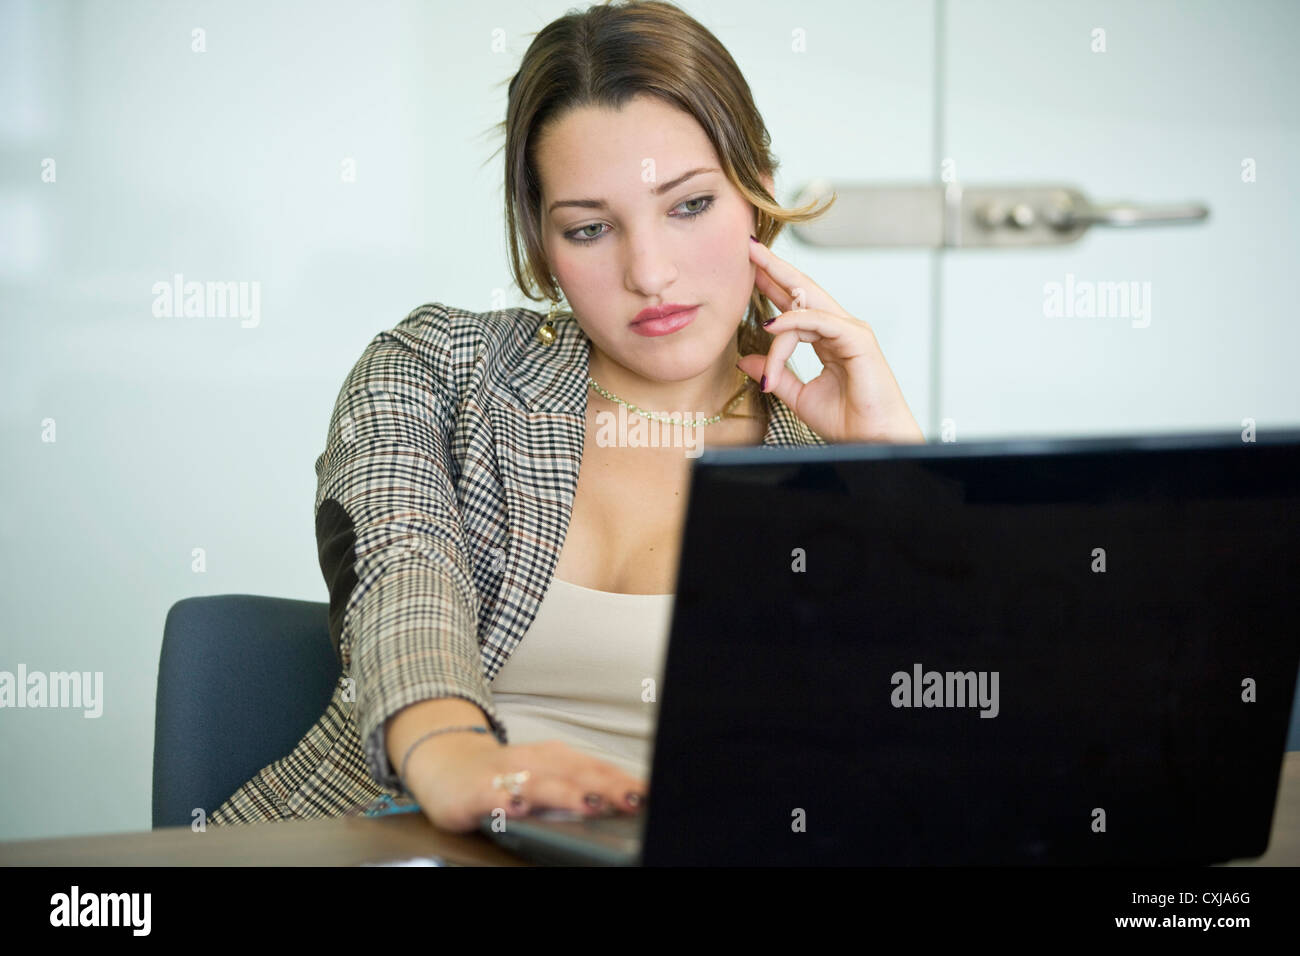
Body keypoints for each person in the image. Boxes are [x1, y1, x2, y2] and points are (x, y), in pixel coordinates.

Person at [207, 0, 923, 835]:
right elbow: (401, 572)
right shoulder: (442, 368)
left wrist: (896, 480)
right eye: (589, 228)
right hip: (387, 841)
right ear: (542, 246)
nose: (650, 274)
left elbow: (953, 748)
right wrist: (459, 756)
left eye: (689, 206)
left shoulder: (834, 451)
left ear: (756, 193)